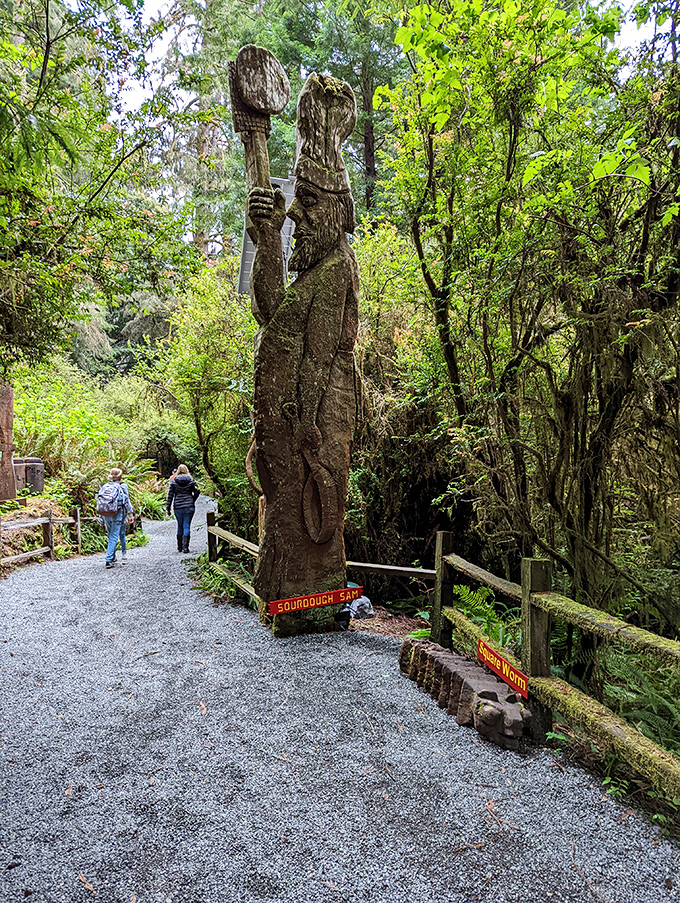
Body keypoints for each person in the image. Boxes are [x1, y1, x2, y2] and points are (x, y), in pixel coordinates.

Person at [98, 468, 134, 569]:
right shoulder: (122, 486)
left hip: (106, 513)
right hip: (117, 512)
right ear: (119, 476)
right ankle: (109, 559)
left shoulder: (106, 486)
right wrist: (130, 513)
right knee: (114, 536)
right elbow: (126, 500)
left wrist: (101, 517)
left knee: (110, 535)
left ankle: (112, 557)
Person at [166, 464, 200, 552]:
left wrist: (168, 508)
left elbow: (170, 496)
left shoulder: (174, 481)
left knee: (180, 525)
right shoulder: (191, 480)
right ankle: (185, 547)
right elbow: (197, 491)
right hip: (189, 506)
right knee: (186, 525)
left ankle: (179, 547)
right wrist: (192, 500)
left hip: (178, 506)